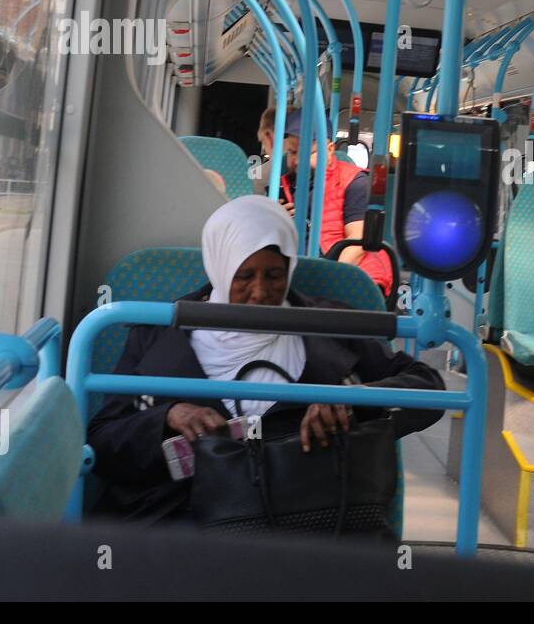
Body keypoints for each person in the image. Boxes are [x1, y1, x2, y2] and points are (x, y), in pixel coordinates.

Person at [87, 195, 443, 523]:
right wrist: (166, 418)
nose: (260, 292)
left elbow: (429, 389)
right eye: (244, 277)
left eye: (274, 276)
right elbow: (103, 441)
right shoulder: (157, 332)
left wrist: (354, 401)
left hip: (310, 515)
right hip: (179, 515)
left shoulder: (332, 326)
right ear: (221, 268)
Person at [319, 140, 394, 296]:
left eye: (310, 153)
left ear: (330, 149)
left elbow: (358, 238)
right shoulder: (283, 183)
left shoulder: (355, 182)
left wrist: (328, 281)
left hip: (344, 268)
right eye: (292, 152)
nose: (297, 160)